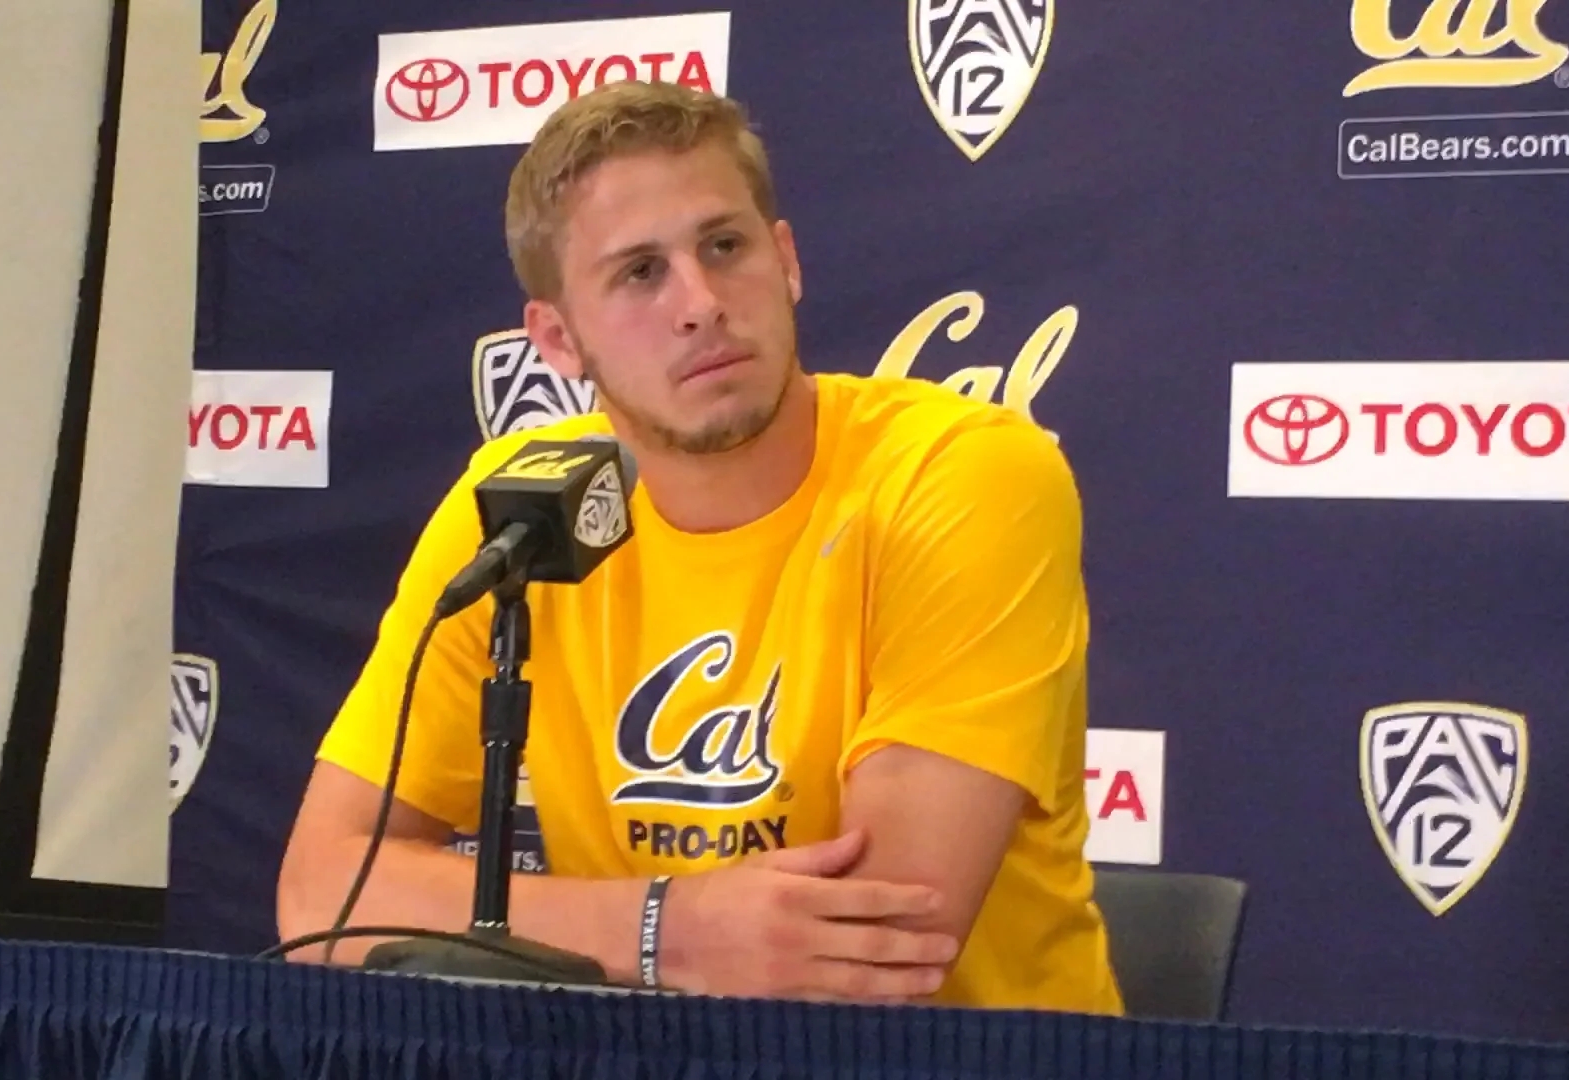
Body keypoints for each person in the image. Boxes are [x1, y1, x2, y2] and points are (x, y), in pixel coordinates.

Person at [276, 78, 1122, 1013]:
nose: (701, 302)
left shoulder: (961, 474)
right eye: (640, 272)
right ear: (557, 339)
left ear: (786, 259)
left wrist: (629, 938)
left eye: (725, 246)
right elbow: (323, 898)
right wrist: (671, 929)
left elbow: (877, 946)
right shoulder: (521, 509)